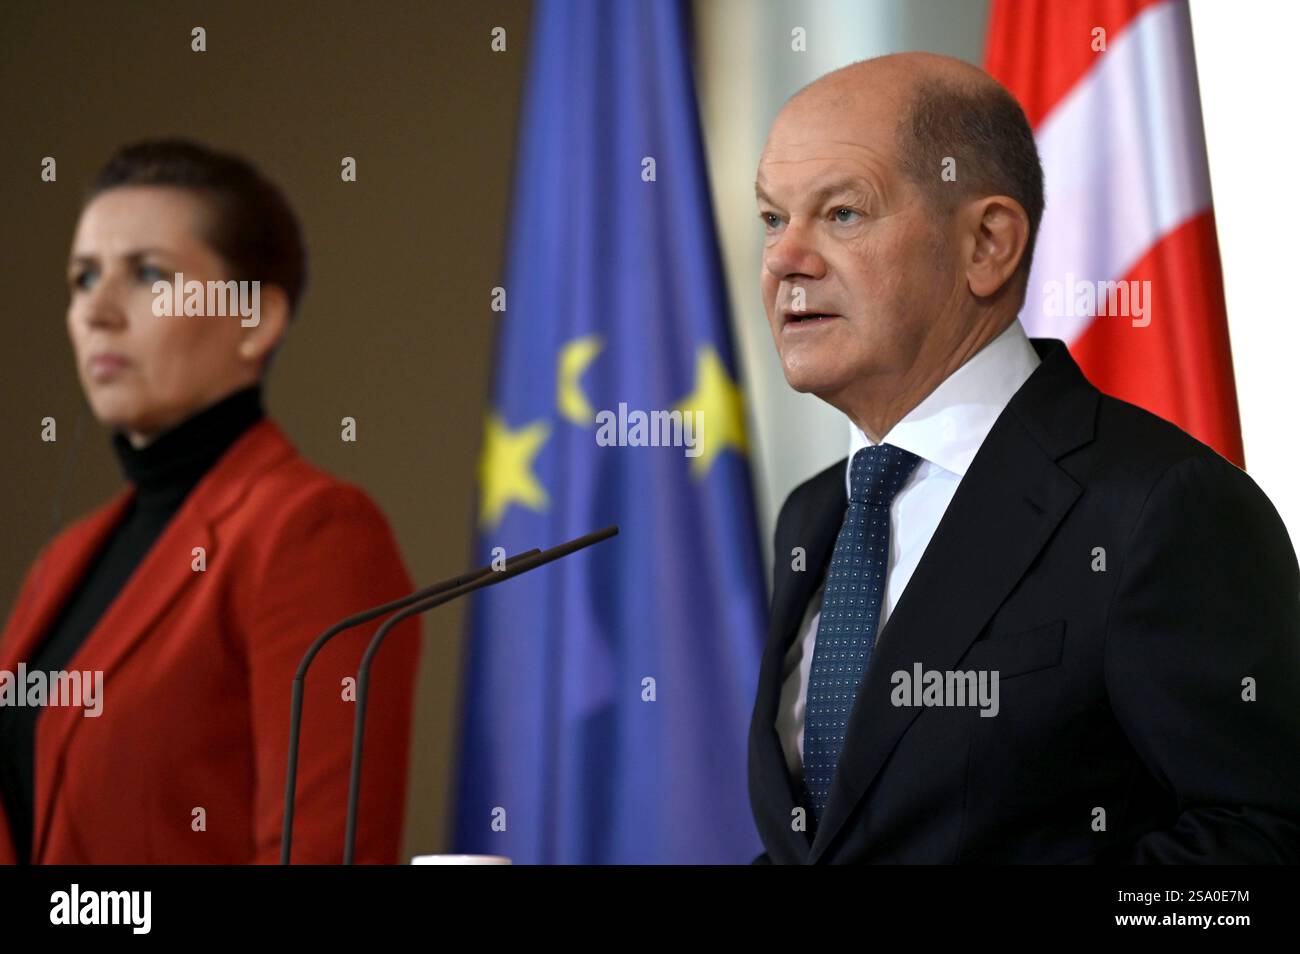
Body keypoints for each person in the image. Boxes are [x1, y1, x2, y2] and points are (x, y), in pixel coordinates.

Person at [747, 53, 1300, 863]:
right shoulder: (816, 512)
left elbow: (1265, 847)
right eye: (771, 218)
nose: (783, 259)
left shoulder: (1158, 506)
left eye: (841, 213)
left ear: (988, 243)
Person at [0, 139, 420, 864]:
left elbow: (319, 856)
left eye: (149, 274)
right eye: (82, 277)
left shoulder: (313, 533)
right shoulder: (61, 561)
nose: (96, 311)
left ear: (254, 319)